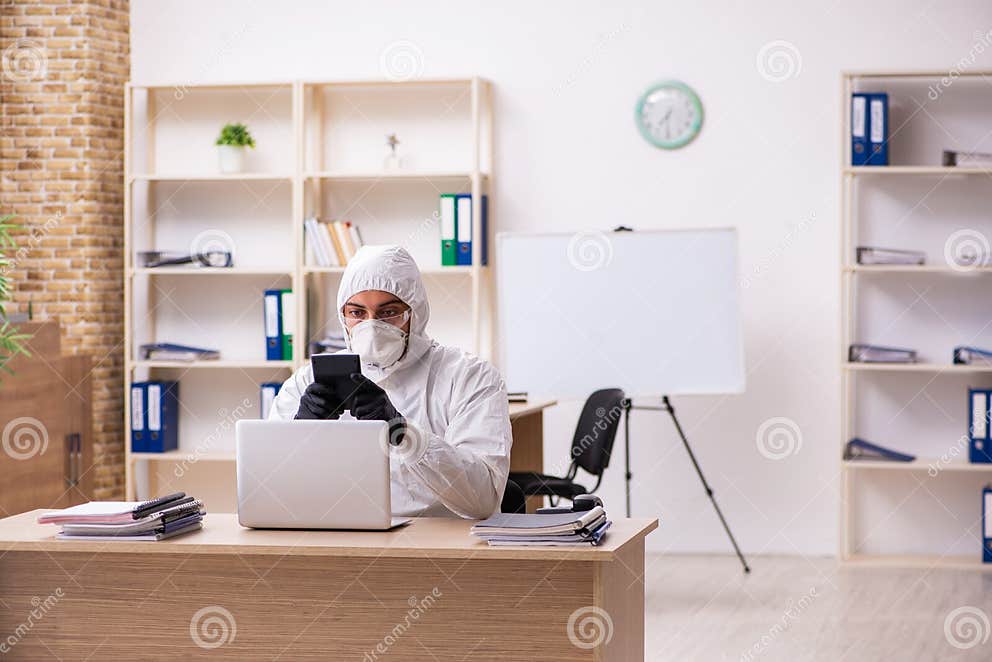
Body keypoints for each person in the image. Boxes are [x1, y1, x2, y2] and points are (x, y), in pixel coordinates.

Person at [268, 245, 511, 519]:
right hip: (340, 539)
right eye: (357, 313)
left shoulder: (469, 377)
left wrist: (404, 433)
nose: (371, 327)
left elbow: (483, 499)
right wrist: (298, 437)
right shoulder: (309, 380)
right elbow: (266, 491)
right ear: (343, 316)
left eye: (388, 313)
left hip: (437, 546)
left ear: (415, 313)